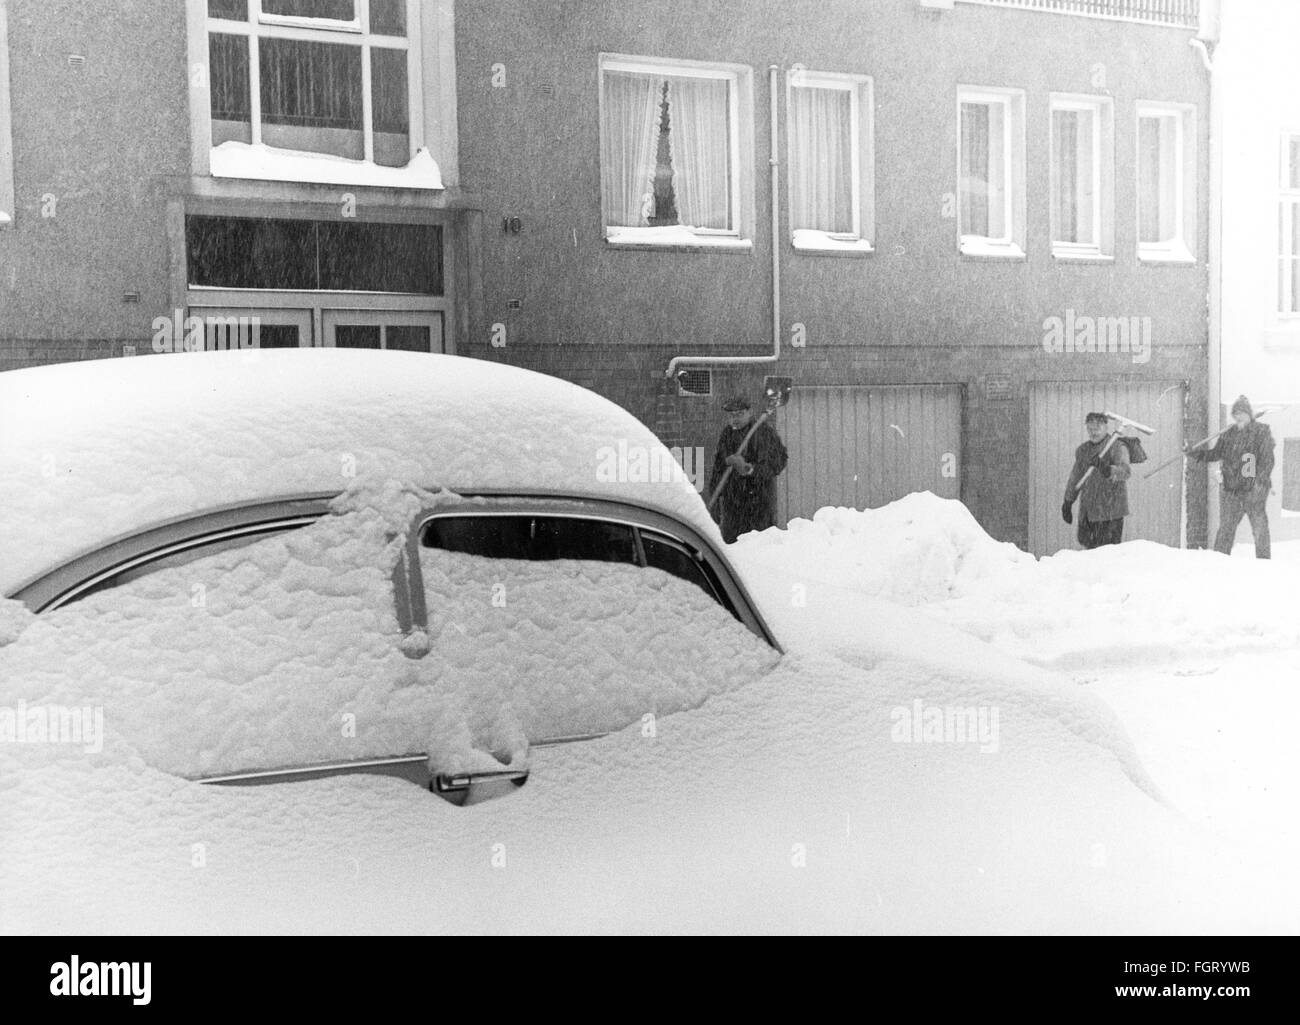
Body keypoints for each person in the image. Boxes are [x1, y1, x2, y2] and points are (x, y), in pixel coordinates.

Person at [1187, 395, 1275, 559]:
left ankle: (1264, 563)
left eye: (1242, 413)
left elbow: (1267, 460)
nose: (1238, 416)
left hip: (1253, 491)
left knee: (1259, 528)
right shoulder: (1228, 435)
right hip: (1232, 490)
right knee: (1226, 528)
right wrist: (1194, 453)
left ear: (1249, 414)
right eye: (1236, 413)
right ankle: (1219, 560)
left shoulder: (1261, 432)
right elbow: (1215, 454)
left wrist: (1259, 483)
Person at [708, 394, 788, 544]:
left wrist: (749, 470)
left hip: (758, 506)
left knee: (757, 549)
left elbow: (778, 462)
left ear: (749, 413)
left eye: (739, 414)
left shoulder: (763, 433)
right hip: (732, 508)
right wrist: (715, 503)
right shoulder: (727, 434)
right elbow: (718, 470)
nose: (735, 419)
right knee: (733, 551)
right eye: (731, 415)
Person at [1062, 412, 1132, 550]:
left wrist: (1107, 469)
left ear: (1106, 427)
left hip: (1110, 512)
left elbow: (1125, 472)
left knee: (1107, 553)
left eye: (1097, 429)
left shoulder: (1117, 446)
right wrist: (1068, 501)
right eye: (1090, 429)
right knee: (1090, 551)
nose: (1093, 433)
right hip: (1088, 512)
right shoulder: (1083, 450)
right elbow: (1075, 477)